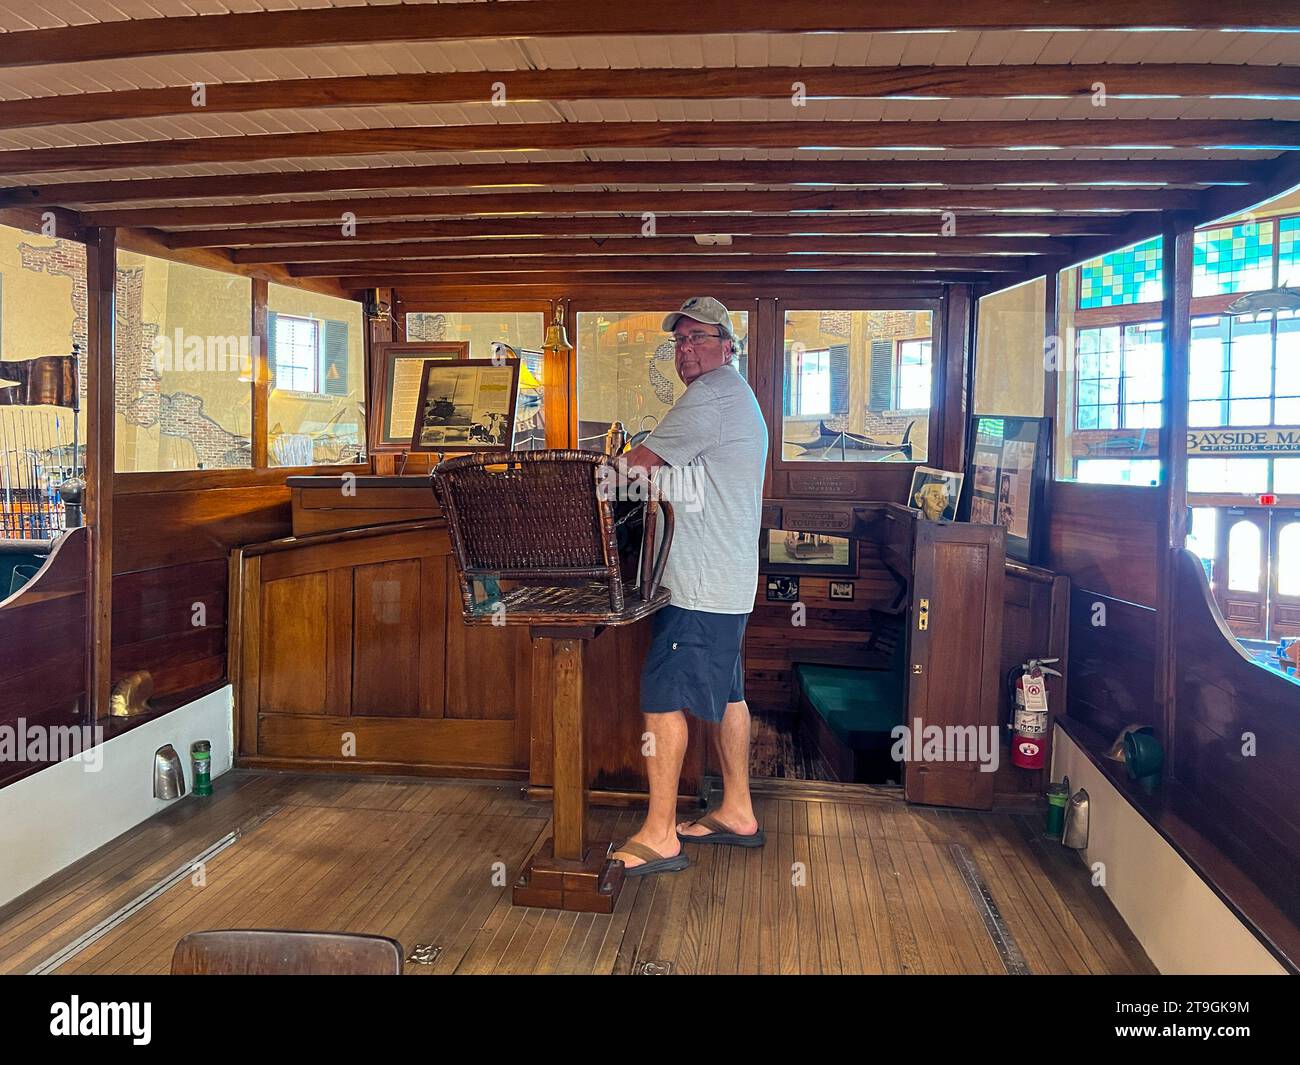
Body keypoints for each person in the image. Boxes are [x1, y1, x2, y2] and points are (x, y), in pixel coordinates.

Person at [609, 297, 769, 876]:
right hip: (724, 580)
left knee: (662, 697)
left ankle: (660, 834)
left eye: (698, 338)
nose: (686, 350)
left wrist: (594, 475)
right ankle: (738, 810)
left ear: (728, 346)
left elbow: (637, 466)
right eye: (678, 341)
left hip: (699, 586)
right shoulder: (734, 398)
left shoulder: (713, 394)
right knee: (728, 695)